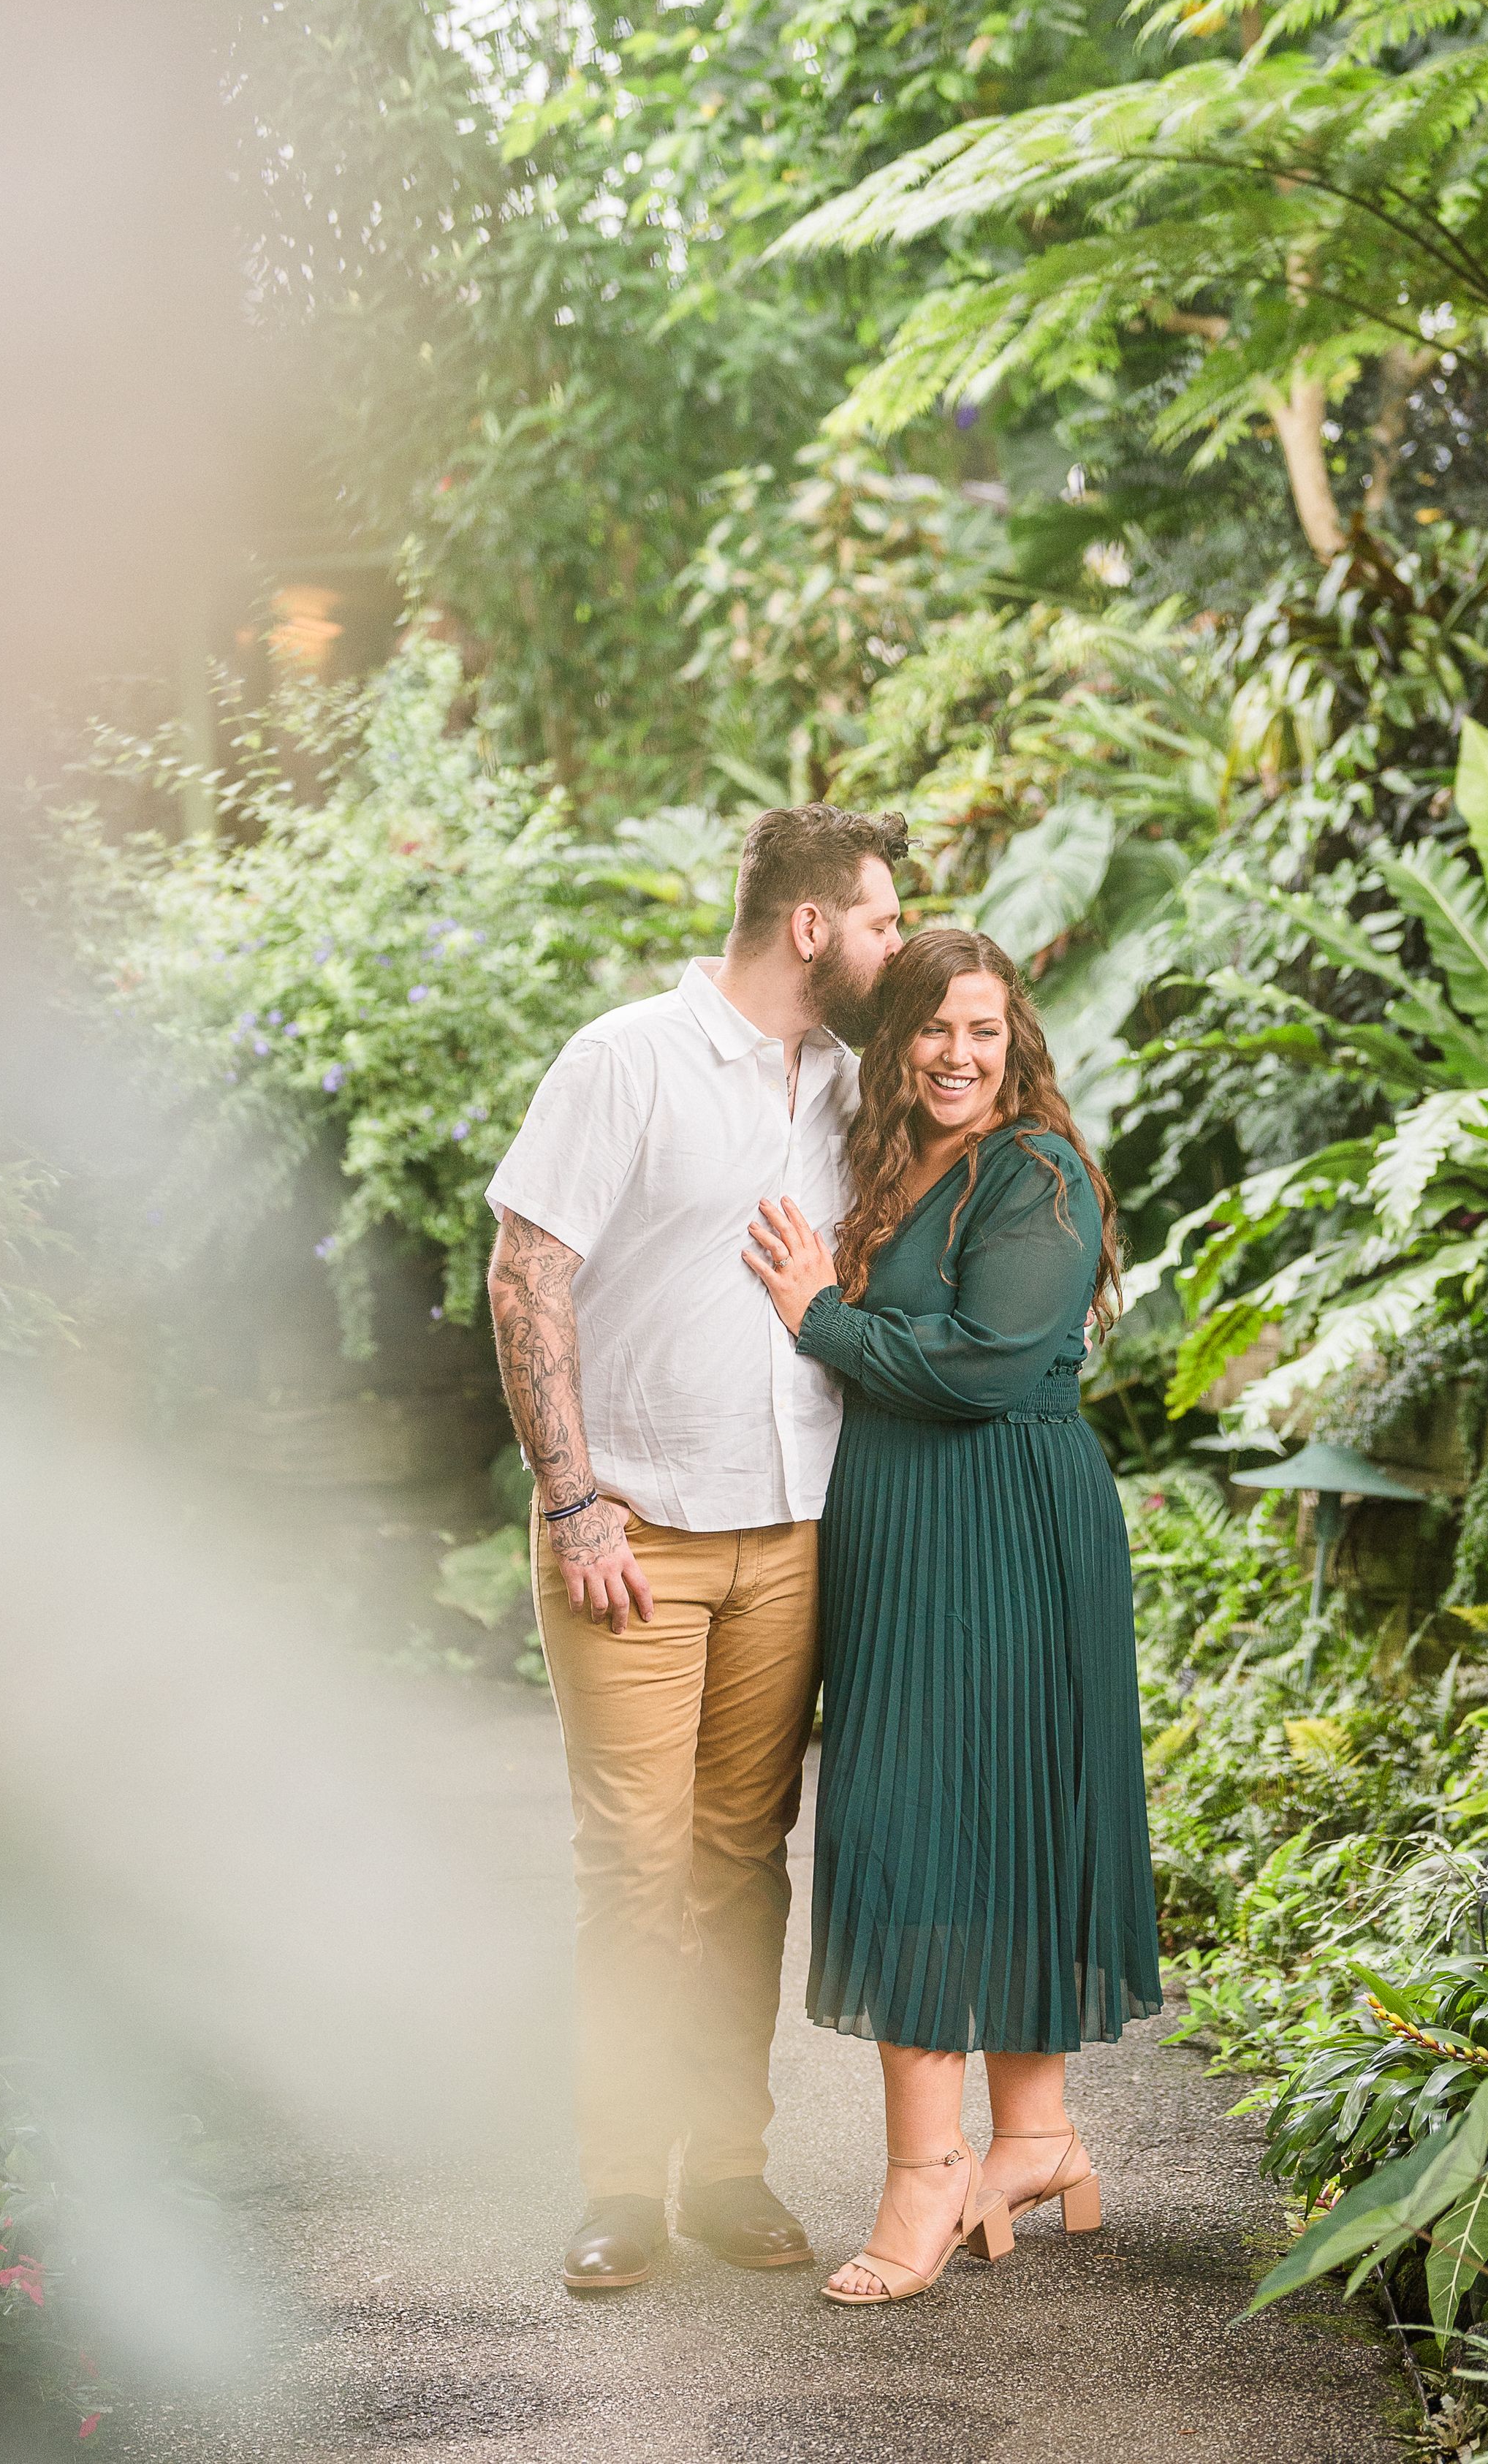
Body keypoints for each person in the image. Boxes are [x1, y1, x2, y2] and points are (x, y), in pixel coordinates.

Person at [485, 802, 907, 2294]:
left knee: (742, 1868)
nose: (892, 943)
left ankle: (727, 2167)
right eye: (877, 920)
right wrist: (572, 1498)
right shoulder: (623, 1061)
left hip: (790, 1534)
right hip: (634, 1540)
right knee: (637, 1873)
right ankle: (619, 2186)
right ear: (809, 927)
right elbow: (527, 1270)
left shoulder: (854, 1086)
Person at [743, 925, 1163, 2306]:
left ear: (1016, 1039)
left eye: (982, 1029)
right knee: (948, 1813)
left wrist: (821, 1314)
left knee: (943, 1821)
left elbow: (984, 1364)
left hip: (1009, 1529)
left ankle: (931, 2173)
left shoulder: (1034, 1170)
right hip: (905, 1532)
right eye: (932, 1026)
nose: (957, 1054)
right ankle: (1036, 2140)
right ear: (897, 1038)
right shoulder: (887, 1155)